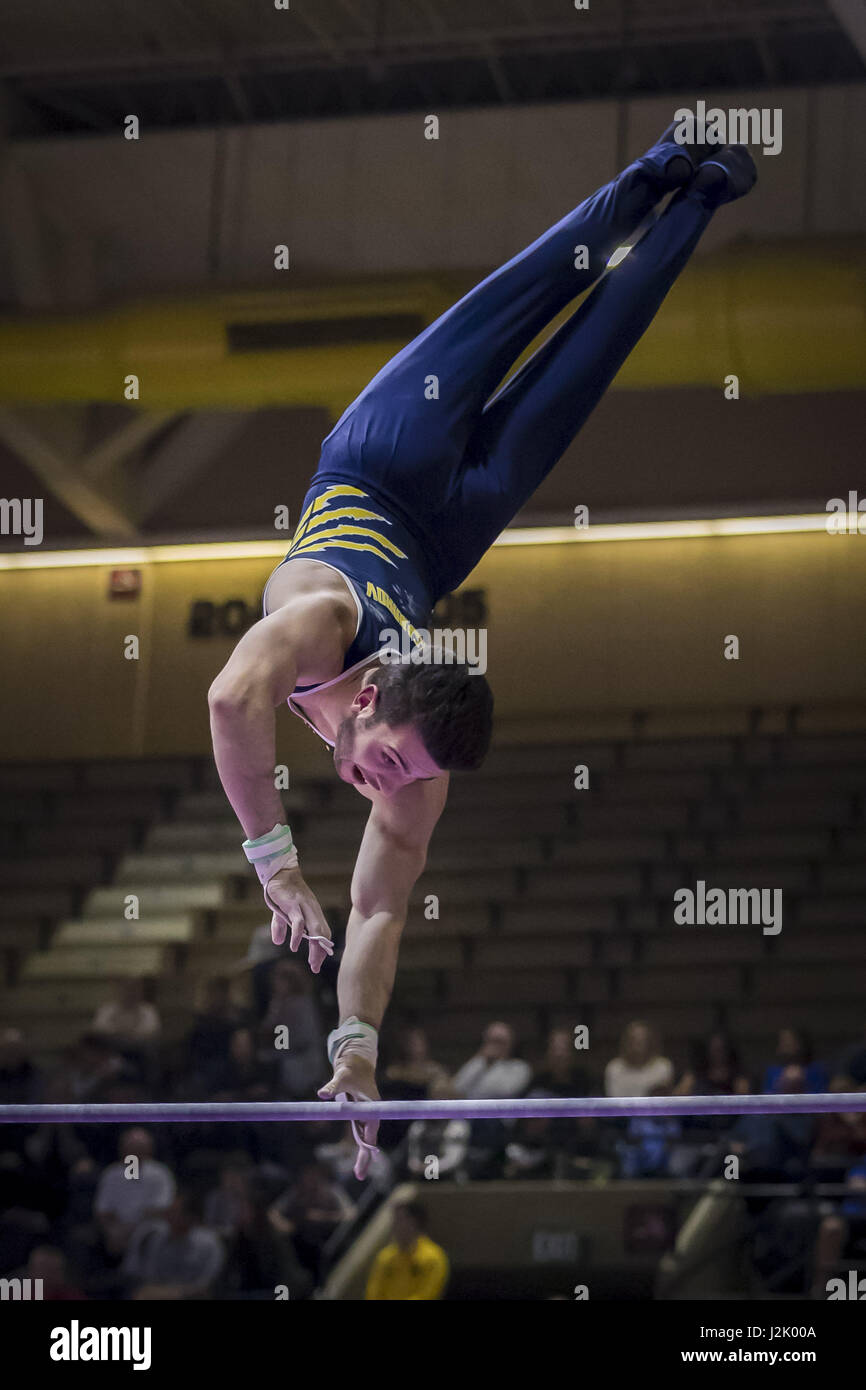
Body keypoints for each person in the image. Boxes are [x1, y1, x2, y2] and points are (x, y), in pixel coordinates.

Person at [207, 123, 757, 1171]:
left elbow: (374, 908)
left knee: (578, 371)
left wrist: (356, 1050)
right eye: (391, 760)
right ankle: (665, 179)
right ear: (367, 695)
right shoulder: (317, 621)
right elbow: (229, 702)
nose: (384, 782)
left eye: (399, 777)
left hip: (419, 536)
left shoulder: (417, 778)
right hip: (382, 459)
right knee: (542, 329)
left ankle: (694, 202)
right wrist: (273, 864)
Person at [122, 1190, 224, 1300]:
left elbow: (207, 1285)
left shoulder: (209, 1245)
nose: (167, 1215)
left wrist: (176, 1293)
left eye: (174, 1211)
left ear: (190, 1217)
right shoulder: (154, 1236)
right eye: (169, 1210)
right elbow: (142, 1277)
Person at [93, 1127, 175, 1256]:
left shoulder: (160, 1174)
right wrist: (112, 1231)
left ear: (149, 1150)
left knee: (157, 1232)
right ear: (122, 1150)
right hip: (117, 1231)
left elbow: (161, 1209)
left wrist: (131, 1230)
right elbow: (103, 1211)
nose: (134, 1154)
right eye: (130, 1149)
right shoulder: (111, 1174)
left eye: (139, 1150)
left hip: (147, 1230)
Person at [365, 1200, 449, 1301]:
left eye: (399, 1220)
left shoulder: (433, 1257)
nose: (394, 1225)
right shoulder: (385, 1256)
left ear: (414, 1222)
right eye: (394, 1220)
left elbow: (427, 1295)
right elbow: (373, 1292)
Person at [454, 1021, 532, 1100]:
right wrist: (481, 1060)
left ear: (510, 1043)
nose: (493, 1045)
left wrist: (495, 1063)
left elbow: (506, 1091)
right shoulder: (477, 1063)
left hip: (501, 1110)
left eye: (499, 1041)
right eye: (490, 1040)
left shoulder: (519, 1067)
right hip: (472, 1109)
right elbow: (458, 1087)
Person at [605, 1021, 674, 1098]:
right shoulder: (614, 1068)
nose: (637, 1044)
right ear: (625, 1042)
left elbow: (664, 1100)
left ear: (650, 1041)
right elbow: (614, 1101)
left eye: (642, 1040)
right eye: (633, 1039)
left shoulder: (662, 1067)